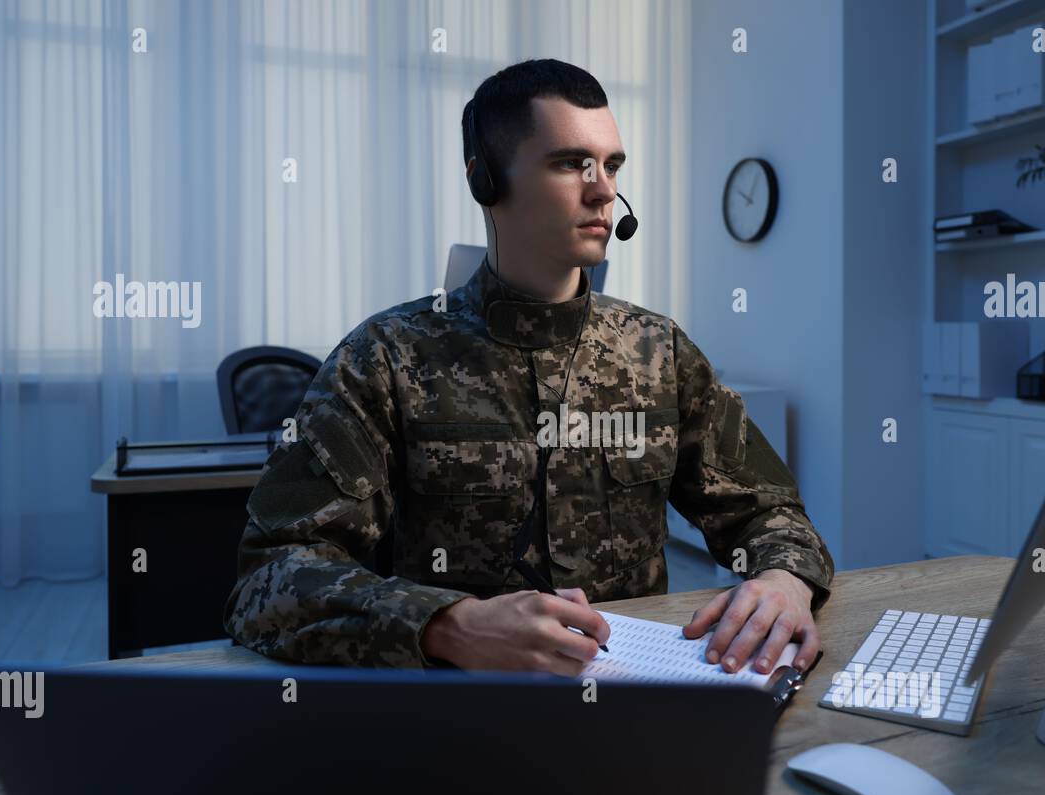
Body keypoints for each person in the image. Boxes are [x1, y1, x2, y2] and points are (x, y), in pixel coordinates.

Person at [224, 58, 835, 677]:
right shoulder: (386, 357)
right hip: (460, 712)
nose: (603, 189)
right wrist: (444, 623)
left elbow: (769, 511)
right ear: (485, 179)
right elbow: (270, 576)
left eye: (613, 164)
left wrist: (784, 579)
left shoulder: (659, 350)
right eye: (571, 162)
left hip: (638, 701)